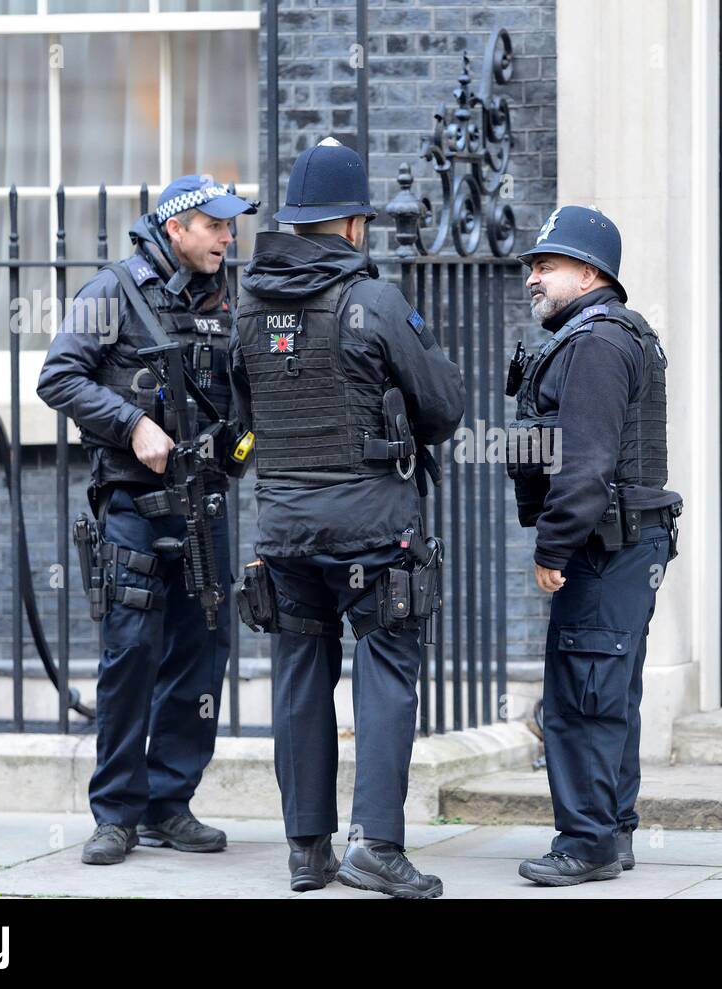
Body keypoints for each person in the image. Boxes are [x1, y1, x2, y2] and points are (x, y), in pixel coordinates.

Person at [230, 138, 464, 899]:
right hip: (374, 530)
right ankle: (379, 846)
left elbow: (241, 417)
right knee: (386, 675)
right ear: (356, 224)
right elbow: (443, 407)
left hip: (285, 532)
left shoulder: (249, 310)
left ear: (297, 222)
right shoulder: (375, 302)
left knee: (299, 678)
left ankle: (308, 852)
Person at [37, 175, 258, 865]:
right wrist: (131, 424)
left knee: (202, 650)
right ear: (176, 228)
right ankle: (117, 811)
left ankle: (170, 801)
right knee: (132, 651)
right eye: (216, 226)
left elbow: (244, 393)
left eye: (231, 226)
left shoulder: (228, 297)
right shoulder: (115, 290)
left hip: (207, 498)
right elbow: (59, 376)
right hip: (134, 502)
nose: (229, 237)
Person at [505, 205, 683, 886]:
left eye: (546, 265)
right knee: (606, 690)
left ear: (588, 272)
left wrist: (552, 549)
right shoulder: (598, 335)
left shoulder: (597, 344)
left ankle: (586, 843)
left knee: (582, 696)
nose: (532, 277)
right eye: (532, 265)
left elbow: (583, 466)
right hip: (620, 545)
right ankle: (612, 831)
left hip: (603, 548)